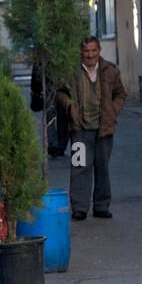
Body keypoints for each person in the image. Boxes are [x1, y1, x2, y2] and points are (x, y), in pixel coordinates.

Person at [56, 36, 127, 221]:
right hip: (79, 129)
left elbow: (120, 94)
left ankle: (102, 206)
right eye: (86, 51)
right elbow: (60, 93)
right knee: (80, 166)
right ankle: (79, 208)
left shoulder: (110, 71)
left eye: (93, 50)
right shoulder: (71, 71)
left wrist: (114, 111)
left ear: (99, 50)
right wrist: (70, 105)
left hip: (104, 129)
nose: (90, 55)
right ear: (81, 52)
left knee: (102, 167)